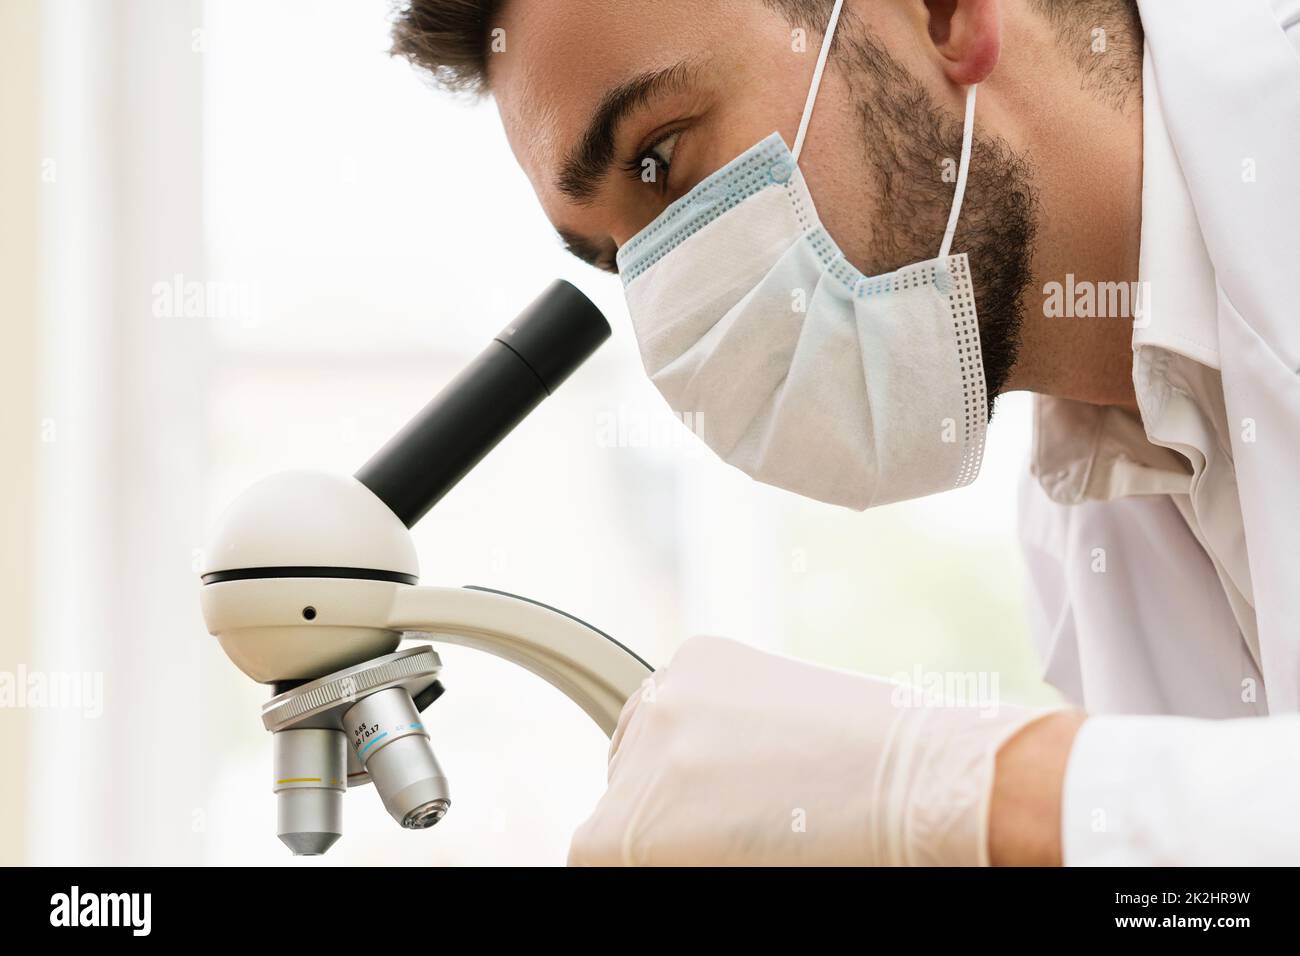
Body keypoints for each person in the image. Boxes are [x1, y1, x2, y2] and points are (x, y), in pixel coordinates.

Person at [389, 0, 1300, 864]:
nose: (678, 311)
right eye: (623, 257)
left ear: (943, 16)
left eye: (659, 159)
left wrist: (969, 794)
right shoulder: (1086, 515)